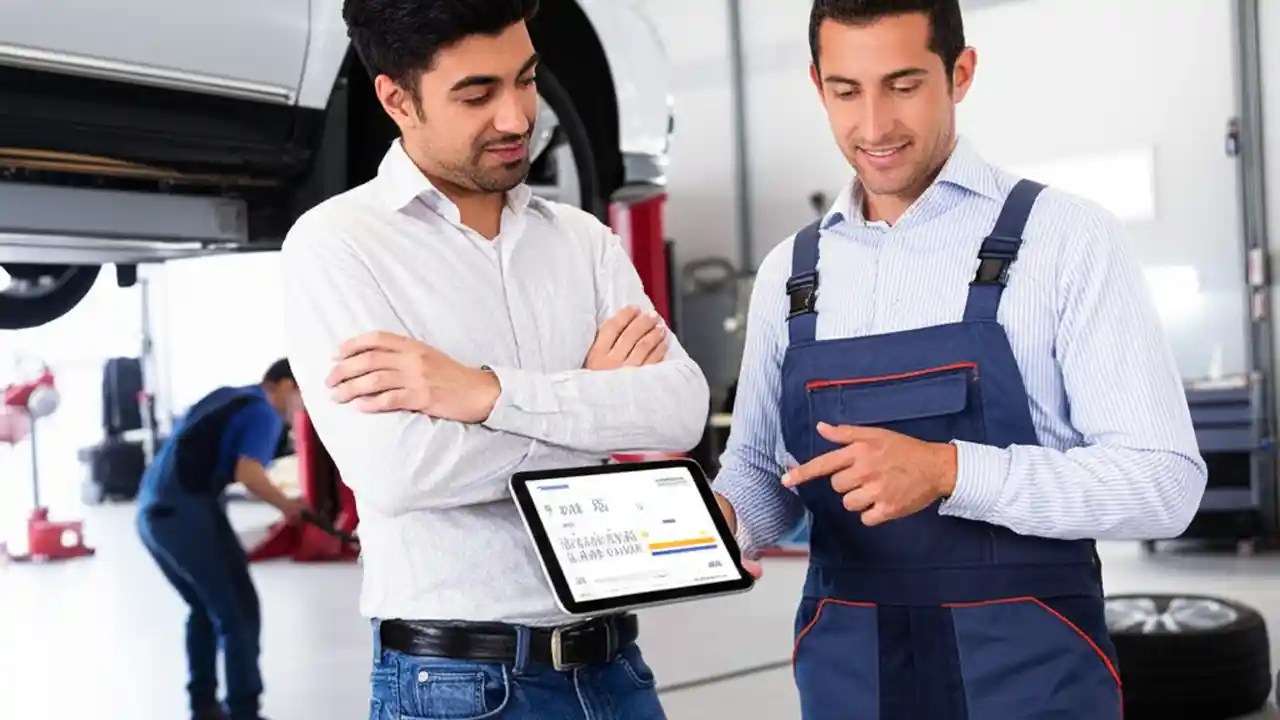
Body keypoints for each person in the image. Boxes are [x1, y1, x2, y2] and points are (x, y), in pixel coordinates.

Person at [711, 1, 1207, 718]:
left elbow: (1165, 484)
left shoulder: (1066, 241)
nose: (875, 126)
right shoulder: (791, 273)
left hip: (1031, 678)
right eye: (847, 91)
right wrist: (716, 528)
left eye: (904, 85)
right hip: (850, 677)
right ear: (818, 85)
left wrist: (949, 470)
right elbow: (764, 470)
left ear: (961, 72)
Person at [279, 1, 710, 718]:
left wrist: (482, 395)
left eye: (527, 79)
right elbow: (402, 472)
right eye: (477, 94)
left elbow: (679, 410)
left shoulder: (584, 241)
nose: (516, 118)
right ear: (396, 99)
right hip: (458, 688)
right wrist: (592, 402)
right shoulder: (339, 246)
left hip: (615, 673)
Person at [136, 359, 307, 720]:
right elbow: (249, 473)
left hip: (152, 510)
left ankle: (204, 707)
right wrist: (288, 505)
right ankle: (244, 711)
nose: (301, 411)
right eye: (303, 399)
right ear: (287, 385)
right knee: (239, 611)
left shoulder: (231, 396)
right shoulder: (263, 410)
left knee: (204, 608)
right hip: (185, 512)